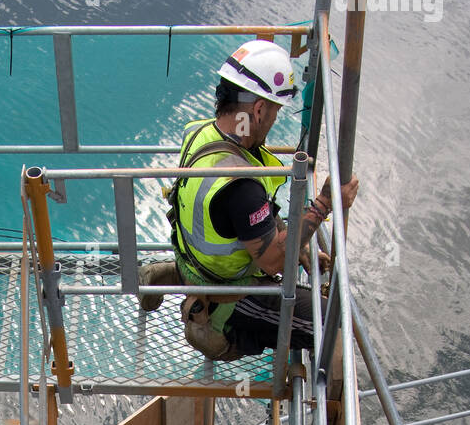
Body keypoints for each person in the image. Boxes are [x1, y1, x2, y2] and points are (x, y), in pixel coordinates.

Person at [138, 40, 359, 362]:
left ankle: (176, 275)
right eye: (274, 112)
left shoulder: (201, 133)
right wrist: (324, 205)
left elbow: (252, 216)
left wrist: (299, 246)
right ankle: (208, 328)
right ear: (258, 109)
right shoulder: (241, 184)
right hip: (230, 295)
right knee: (332, 322)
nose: (272, 121)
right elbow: (272, 262)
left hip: (199, 260)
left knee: (284, 275)